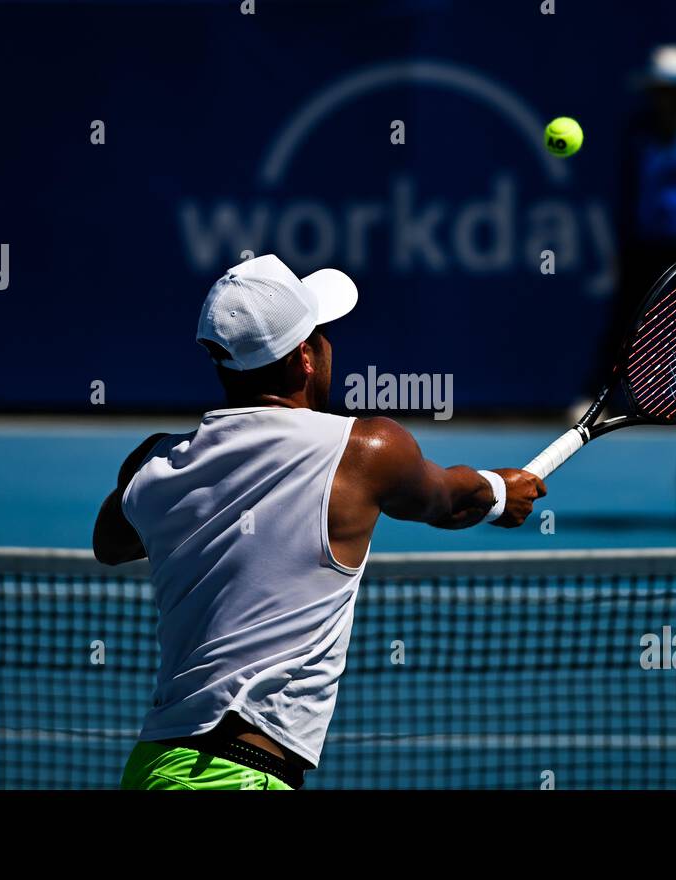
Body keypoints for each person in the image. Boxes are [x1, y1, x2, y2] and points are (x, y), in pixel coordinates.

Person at [94, 254, 546, 790]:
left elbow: (110, 544)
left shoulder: (153, 465)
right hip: (239, 778)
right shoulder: (366, 451)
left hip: (152, 769)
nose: (332, 345)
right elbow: (450, 501)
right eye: (323, 334)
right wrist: (498, 492)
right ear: (306, 356)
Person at [583, 44, 676, 522]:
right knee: (625, 336)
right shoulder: (637, 132)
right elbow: (629, 195)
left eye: (673, 91)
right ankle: (605, 393)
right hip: (642, 251)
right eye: (659, 92)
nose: (665, 100)